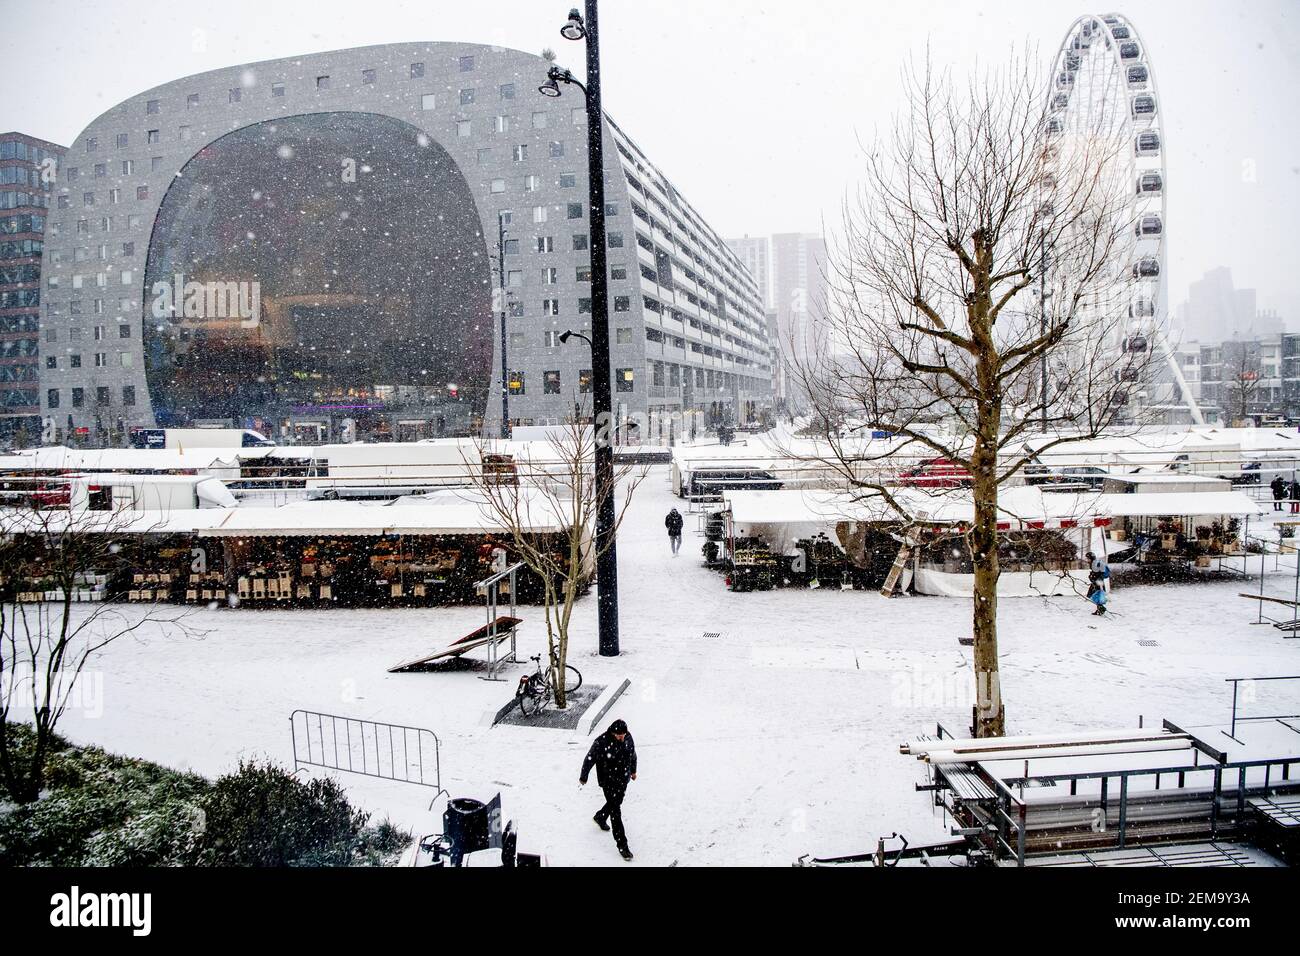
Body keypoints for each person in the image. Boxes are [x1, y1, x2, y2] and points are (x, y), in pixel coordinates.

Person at [580, 718, 637, 860]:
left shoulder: (628, 737)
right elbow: (589, 758)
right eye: (619, 735)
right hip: (608, 781)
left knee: (617, 802)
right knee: (615, 811)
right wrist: (584, 776)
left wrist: (633, 771)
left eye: (623, 734)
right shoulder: (601, 742)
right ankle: (623, 846)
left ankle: (600, 816)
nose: (621, 737)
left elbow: (633, 754)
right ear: (612, 732)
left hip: (623, 779)